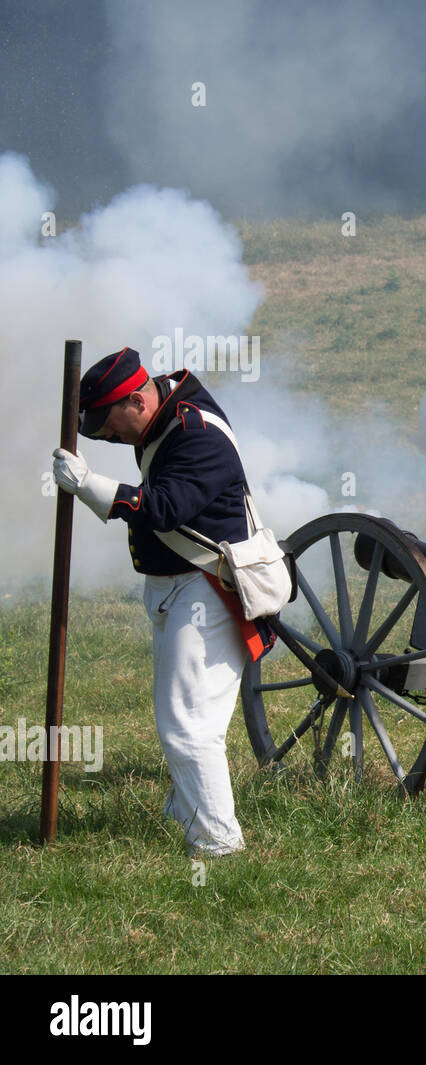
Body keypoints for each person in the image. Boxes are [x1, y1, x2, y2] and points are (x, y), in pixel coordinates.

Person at [51, 347, 272, 856]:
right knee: (195, 718)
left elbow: (167, 509)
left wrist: (89, 486)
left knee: (186, 724)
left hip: (209, 588)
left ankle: (217, 842)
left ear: (135, 400)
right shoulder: (163, 419)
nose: (109, 436)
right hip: (179, 584)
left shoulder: (196, 435)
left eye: (110, 425)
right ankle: (187, 805)